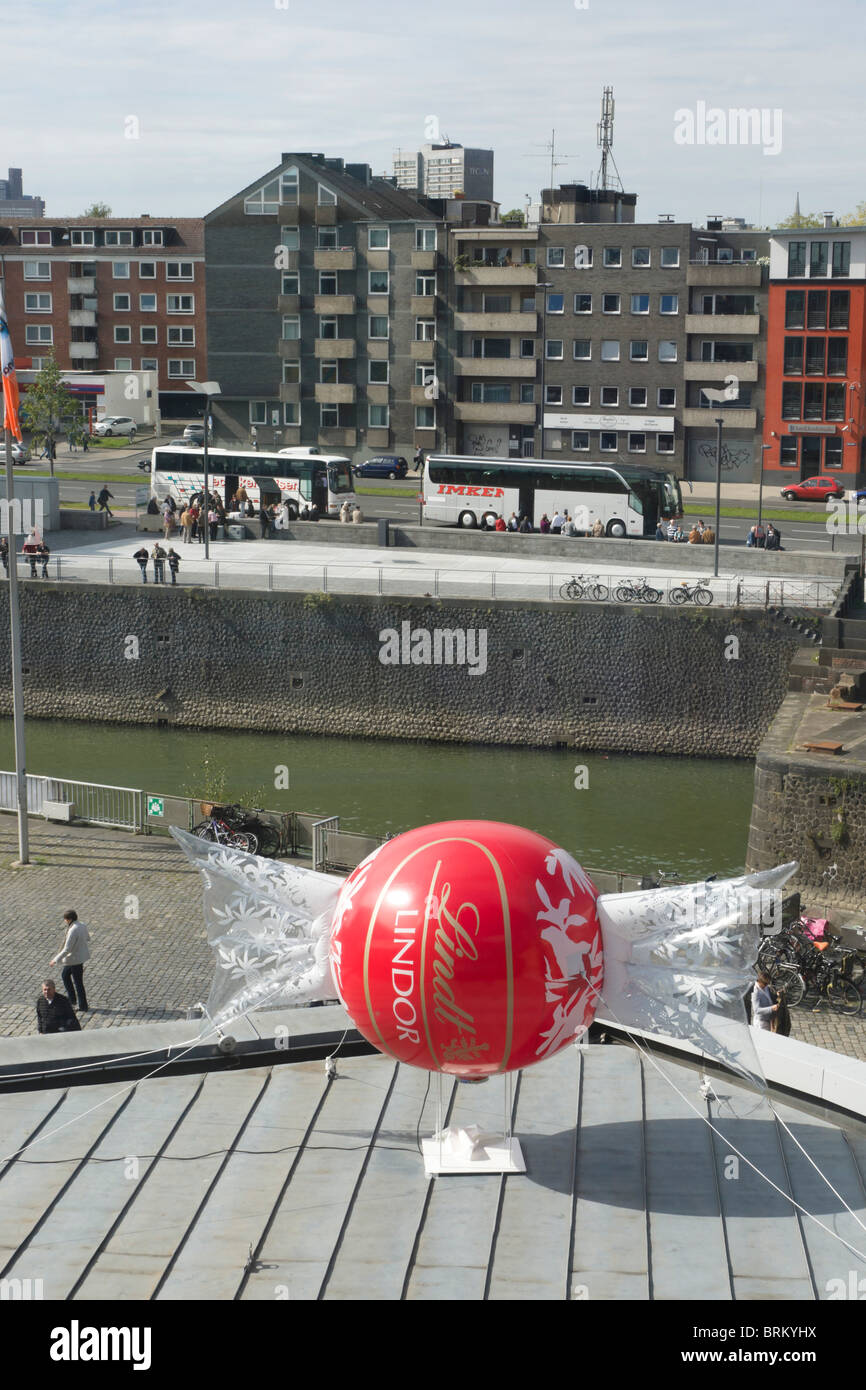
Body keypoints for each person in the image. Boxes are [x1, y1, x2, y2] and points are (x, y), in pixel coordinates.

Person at [49, 909, 91, 1014]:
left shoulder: (73, 930)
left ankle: (82, 1005)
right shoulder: (82, 925)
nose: (65, 921)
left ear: (69, 919)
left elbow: (67, 949)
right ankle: (72, 1000)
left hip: (74, 960)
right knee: (65, 976)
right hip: (79, 958)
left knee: (77, 982)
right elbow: (87, 938)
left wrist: (55, 959)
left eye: (65, 919)